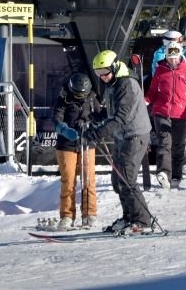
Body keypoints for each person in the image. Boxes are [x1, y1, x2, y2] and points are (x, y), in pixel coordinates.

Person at [80, 50, 155, 234]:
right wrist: (94, 121)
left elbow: (121, 117)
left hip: (135, 135)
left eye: (105, 71)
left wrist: (98, 133)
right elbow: (111, 113)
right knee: (117, 180)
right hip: (123, 135)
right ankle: (129, 216)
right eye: (98, 73)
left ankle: (143, 221)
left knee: (127, 179)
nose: (102, 77)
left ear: (114, 66)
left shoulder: (126, 84)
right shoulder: (112, 84)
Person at [145, 43, 186, 189]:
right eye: (170, 58)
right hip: (161, 111)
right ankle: (163, 173)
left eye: (175, 58)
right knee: (165, 142)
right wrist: (146, 99)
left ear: (180, 56)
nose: (173, 61)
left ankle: (176, 175)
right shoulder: (160, 70)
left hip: (181, 113)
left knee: (178, 144)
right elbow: (152, 90)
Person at [52, 72, 103, 229]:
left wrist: (92, 124)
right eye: (77, 94)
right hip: (67, 144)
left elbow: (99, 116)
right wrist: (63, 128)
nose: (80, 97)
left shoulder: (92, 97)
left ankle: (89, 214)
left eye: (82, 94)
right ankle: (67, 216)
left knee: (88, 179)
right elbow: (56, 118)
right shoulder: (64, 97)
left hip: (87, 142)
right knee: (69, 180)